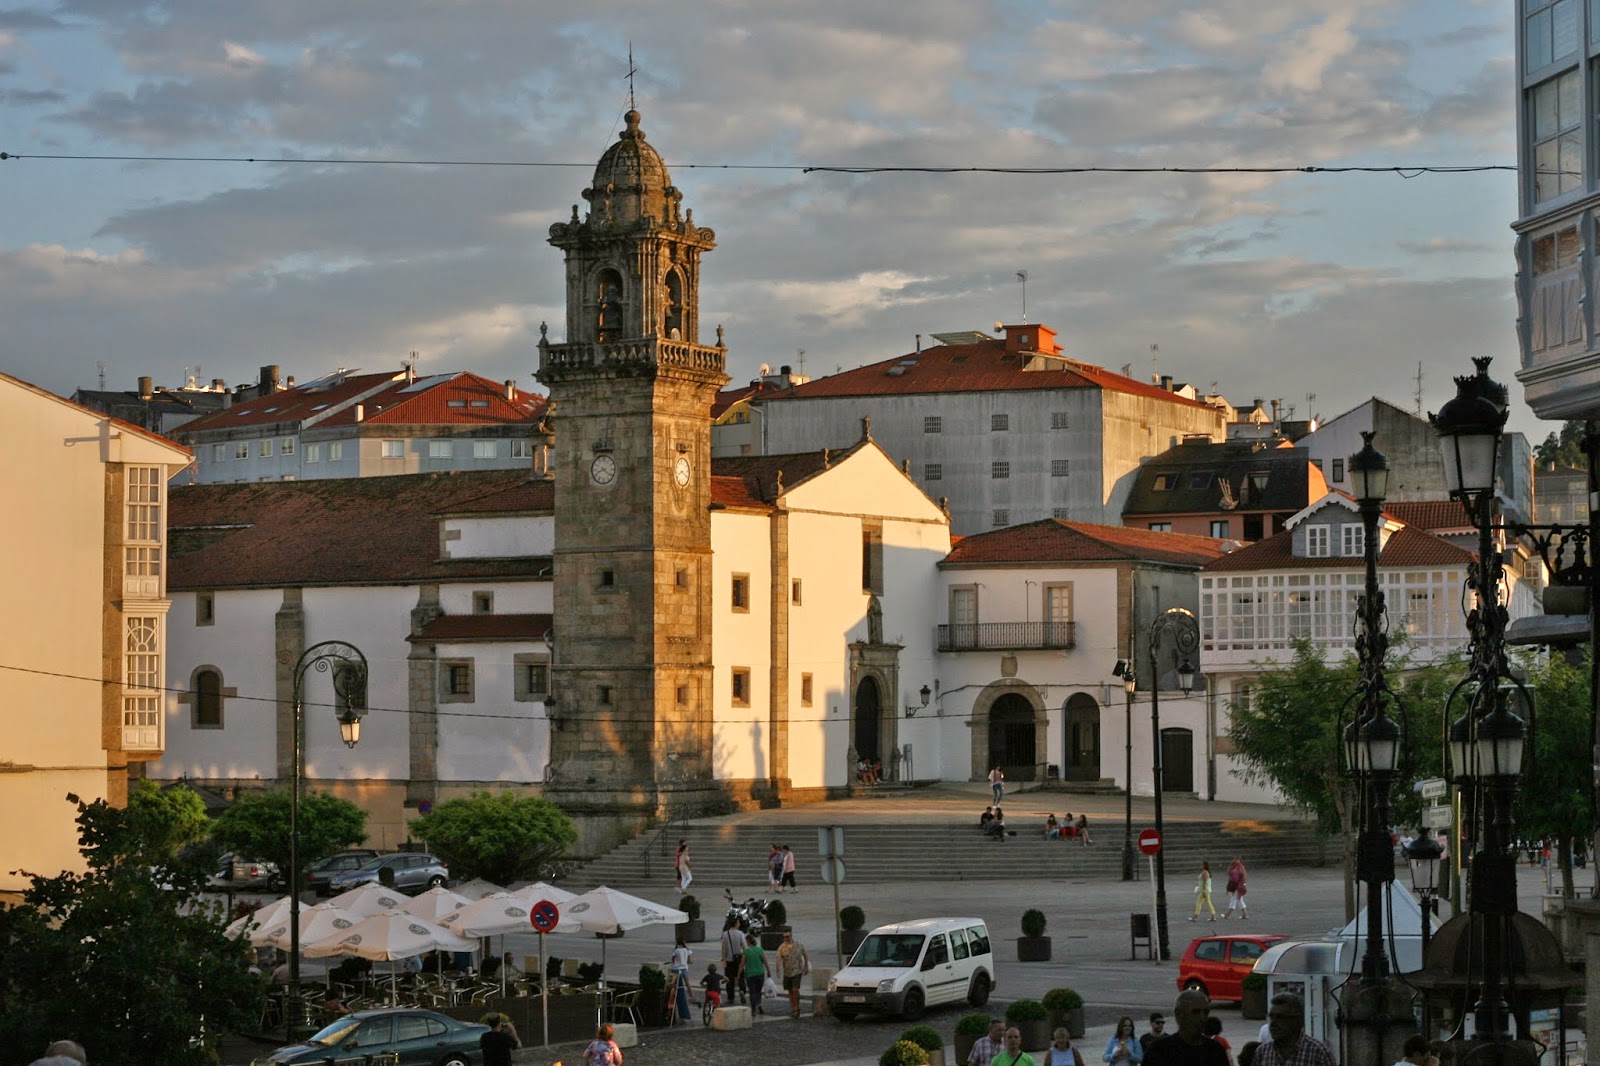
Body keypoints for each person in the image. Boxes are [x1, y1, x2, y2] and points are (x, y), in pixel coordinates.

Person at [1143, 989, 1229, 1066]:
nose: (1202, 1018)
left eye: (1206, 1012)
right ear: (1179, 1014)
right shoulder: (1160, 1051)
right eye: (1195, 1012)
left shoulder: (1215, 1051)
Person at [1252, 994, 1335, 1066]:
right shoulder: (1262, 1052)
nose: (1273, 1023)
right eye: (1271, 1017)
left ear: (1297, 1020)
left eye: (1280, 1017)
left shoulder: (1318, 1053)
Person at [776, 927, 810, 1018]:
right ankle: (793, 1008)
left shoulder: (799, 945)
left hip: (797, 971)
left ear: (791, 935)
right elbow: (778, 958)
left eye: (787, 937)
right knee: (790, 991)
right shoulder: (781, 947)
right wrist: (778, 969)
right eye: (784, 937)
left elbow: (805, 954)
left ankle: (796, 1008)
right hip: (787, 972)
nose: (786, 939)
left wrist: (806, 966)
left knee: (795, 989)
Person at [720, 917, 747, 1003]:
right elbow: (744, 947)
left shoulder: (725, 934)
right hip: (739, 958)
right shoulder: (740, 934)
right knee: (741, 977)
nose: (739, 924)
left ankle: (730, 997)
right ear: (735, 924)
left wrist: (723, 959)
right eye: (738, 923)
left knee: (729, 979)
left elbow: (724, 948)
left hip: (729, 960)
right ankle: (742, 991)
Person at [741, 933, 768, 1014]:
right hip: (760, 973)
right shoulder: (760, 949)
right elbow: (765, 961)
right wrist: (769, 971)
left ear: (748, 941)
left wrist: (738, 975)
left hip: (750, 975)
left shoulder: (746, 951)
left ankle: (753, 1009)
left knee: (752, 992)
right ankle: (759, 1006)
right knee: (758, 991)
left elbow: (742, 964)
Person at [669, 937, 693, 1023]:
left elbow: (673, 960)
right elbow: (689, 960)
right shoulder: (687, 950)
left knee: (674, 985)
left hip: (676, 969)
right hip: (684, 968)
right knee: (687, 982)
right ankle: (691, 995)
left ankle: (671, 996)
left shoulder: (675, 950)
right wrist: (688, 962)